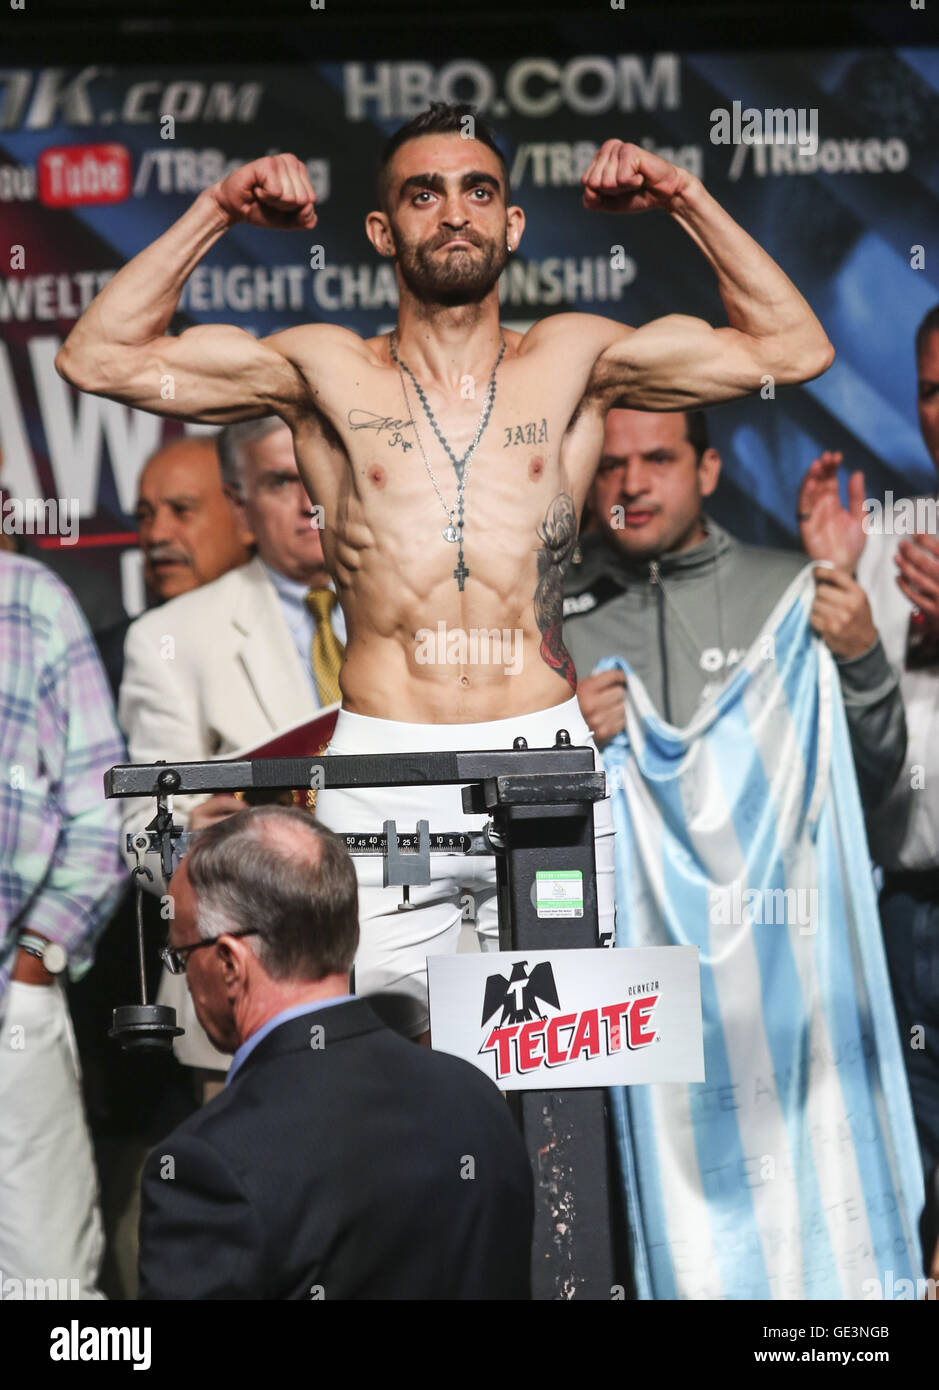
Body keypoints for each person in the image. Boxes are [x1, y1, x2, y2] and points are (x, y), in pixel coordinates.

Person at [55, 100, 834, 1041]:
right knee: (371, 1075)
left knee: (562, 1097)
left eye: (478, 191)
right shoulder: (319, 371)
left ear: (511, 222)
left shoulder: (578, 359)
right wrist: (217, 207)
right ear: (384, 230)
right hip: (385, 768)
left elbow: (794, 349)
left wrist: (683, 195)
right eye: (424, 194)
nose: (453, 212)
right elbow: (98, 357)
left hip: (542, 765)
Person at [137, 805, 534, 1300]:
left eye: (181, 956)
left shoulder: (207, 1166)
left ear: (229, 963)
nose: (184, 975)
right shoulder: (475, 1098)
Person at [118, 416, 344, 1077]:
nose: (311, 501)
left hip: (409, 992)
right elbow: (138, 840)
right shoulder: (172, 638)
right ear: (241, 506)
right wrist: (192, 836)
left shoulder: (425, 613)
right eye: (282, 481)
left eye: (324, 476)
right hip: (247, 1014)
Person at [567, 406, 906, 808]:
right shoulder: (544, 611)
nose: (633, 484)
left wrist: (862, 659)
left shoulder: (789, 593)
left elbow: (875, 779)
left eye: (659, 459)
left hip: (771, 872)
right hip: (615, 872)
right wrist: (565, 741)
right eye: (610, 466)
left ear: (707, 471)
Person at [797, 303, 939, 1187]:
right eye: (931, 389)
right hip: (900, 915)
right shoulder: (884, 534)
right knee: (904, 1186)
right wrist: (827, 574)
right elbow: (834, 751)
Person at [0, 551, 127, 1298]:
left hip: (11, 1001)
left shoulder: (27, 601)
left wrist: (39, 958)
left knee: (48, 1287)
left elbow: (98, 809)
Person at [95, 434, 255, 700]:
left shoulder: (306, 630)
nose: (157, 534)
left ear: (243, 516)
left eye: (182, 510)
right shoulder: (105, 666)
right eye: (145, 516)